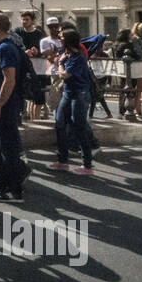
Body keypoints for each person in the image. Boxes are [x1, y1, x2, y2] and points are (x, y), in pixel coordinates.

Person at [0, 12, 31, 201]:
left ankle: (14, 189)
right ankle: (2, 181)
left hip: (5, 103)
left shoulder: (6, 49)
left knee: (7, 147)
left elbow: (9, 80)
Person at [49, 28, 96, 175]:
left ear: (69, 40)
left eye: (62, 37)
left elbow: (64, 75)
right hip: (68, 94)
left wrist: (60, 63)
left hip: (79, 95)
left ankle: (87, 165)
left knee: (79, 126)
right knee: (60, 124)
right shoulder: (67, 54)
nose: (59, 39)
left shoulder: (77, 57)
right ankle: (62, 161)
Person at [15, 10, 47, 120]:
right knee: (21, 93)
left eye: (27, 19)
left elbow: (44, 52)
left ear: (32, 21)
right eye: (23, 19)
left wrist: (37, 52)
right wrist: (24, 52)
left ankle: (35, 120)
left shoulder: (39, 34)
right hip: (21, 67)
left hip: (37, 68)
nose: (24, 22)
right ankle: (21, 117)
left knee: (37, 96)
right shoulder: (17, 32)